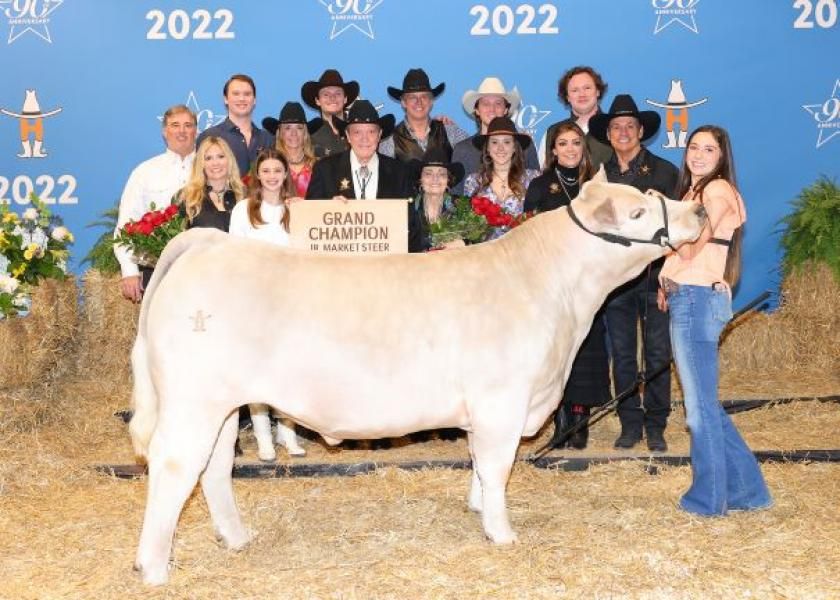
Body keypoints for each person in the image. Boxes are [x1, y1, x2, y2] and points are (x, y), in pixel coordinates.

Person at [659, 125, 771, 515]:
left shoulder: (716, 190)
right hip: (690, 296)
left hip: (696, 299)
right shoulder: (693, 190)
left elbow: (695, 245)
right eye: (694, 146)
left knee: (699, 408)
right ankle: (748, 491)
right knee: (705, 405)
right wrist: (666, 278)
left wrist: (663, 251)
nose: (699, 154)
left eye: (709, 148)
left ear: (722, 156)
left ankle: (708, 500)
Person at [589, 94, 679, 451]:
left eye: (629, 126)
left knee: (657, 354)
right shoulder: (600, 179)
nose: (623, 132)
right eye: (616, 127)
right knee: (623, 354)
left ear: (641, 131)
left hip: (656, 277)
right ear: (608, 134)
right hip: (617, 280)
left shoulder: (665, 172)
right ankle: (629, 422)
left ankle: (656, 423)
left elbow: (677, 229)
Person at [524, 121, 609, 449]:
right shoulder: (540, 186)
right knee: (555, 350)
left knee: (586, 348)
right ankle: (558, 416)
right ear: (553, 150)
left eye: (576, 142)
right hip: (550, 286)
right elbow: (527, 239)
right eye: (563, 143)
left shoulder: (597, 188)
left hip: (589, 283)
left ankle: (580, 417)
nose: (570, 149)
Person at [228, 148, 307, 460]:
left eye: (278, 170)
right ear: (257, 175)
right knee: (257, 367)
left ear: (286, 174)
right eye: (267, 171)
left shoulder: (297, 209)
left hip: (291, 299)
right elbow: (235, 255)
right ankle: (262, 437)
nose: (272, 176)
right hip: (255, 298)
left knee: (289, 366)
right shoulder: (244, 210)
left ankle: (287, 431)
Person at [114, 104, 196, 302]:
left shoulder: (211, 169)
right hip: (156, 270)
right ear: (164, 131)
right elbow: (126, 223)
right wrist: (129, 270)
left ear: (196, 130)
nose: (182, 131)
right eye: (175, 125)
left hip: (200, 270)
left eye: (188, 125)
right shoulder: (145, 172)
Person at [306, 100, 411, 201]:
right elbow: (310, 213)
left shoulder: (399, 172)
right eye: (357, 132)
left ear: (379, 135)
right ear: (348, 135)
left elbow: (409, 216)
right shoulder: (325, 170)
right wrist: (328, 208)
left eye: (371, 132)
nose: (364, 139)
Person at [451, 77, 540, 193]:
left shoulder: (525, 147)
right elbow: (456, 195)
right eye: (485, 104)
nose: (492, 109)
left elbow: (537, 190)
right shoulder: (462, 149)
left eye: (498, 103)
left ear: (506, 109)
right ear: (477, 110)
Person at [462, 116, 539, 240]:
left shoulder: (532, 178)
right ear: (487, 148)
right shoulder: (474, 181)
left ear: (514, 147)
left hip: (522, 252)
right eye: (494, 142)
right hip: (486, 254)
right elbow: (468, 226)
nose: (500, 148)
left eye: (507, 142)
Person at [379, 68, 468, 163]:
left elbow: (474, 153)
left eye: (424, 96)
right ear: (403, 102)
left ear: (431, 101)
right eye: (412, 97)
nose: (419, 102)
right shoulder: (390, 140)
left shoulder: (450, 132)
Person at [196, 73, 274, 177]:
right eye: (236, 94)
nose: (242, 99)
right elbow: (200, 179)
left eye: (247, 94)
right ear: (226, 99)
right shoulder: (208, 137)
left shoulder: (268, 139)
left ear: (254, 100)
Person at [540, 66, 613, 169]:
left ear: (598, 91)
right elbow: (543, 175)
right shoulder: (552, 132)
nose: (582, 94)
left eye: (587, 88)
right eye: (575, 90)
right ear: (567, 97)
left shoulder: (615, 128)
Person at [176, 136, 245, 231]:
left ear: (229, 160)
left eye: (221, 156)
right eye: (208, 158)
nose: (215, 163)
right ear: (201, 164)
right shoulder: (186, 197)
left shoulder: (244, 195)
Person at [407, 147, 466, 252]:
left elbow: (478, 241)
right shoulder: (407, 209)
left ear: (448, 179)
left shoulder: (462, 207)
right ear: (420, 179)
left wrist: (464, 243)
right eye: (428, 173)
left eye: (441, 174)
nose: (435, 179)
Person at [262, 101, 320, 198]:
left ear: (305, 133)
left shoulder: (319, 167)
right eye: (288, 128)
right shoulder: (267, 165)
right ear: (280, 133)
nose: (294, 133)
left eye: (299, 128)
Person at [301, 69, 359, 158]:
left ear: (345, 99)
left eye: (338, 93)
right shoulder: (308, 135)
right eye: (326, 94)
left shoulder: (359, 130)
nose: (332, 98)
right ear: (317, 100)